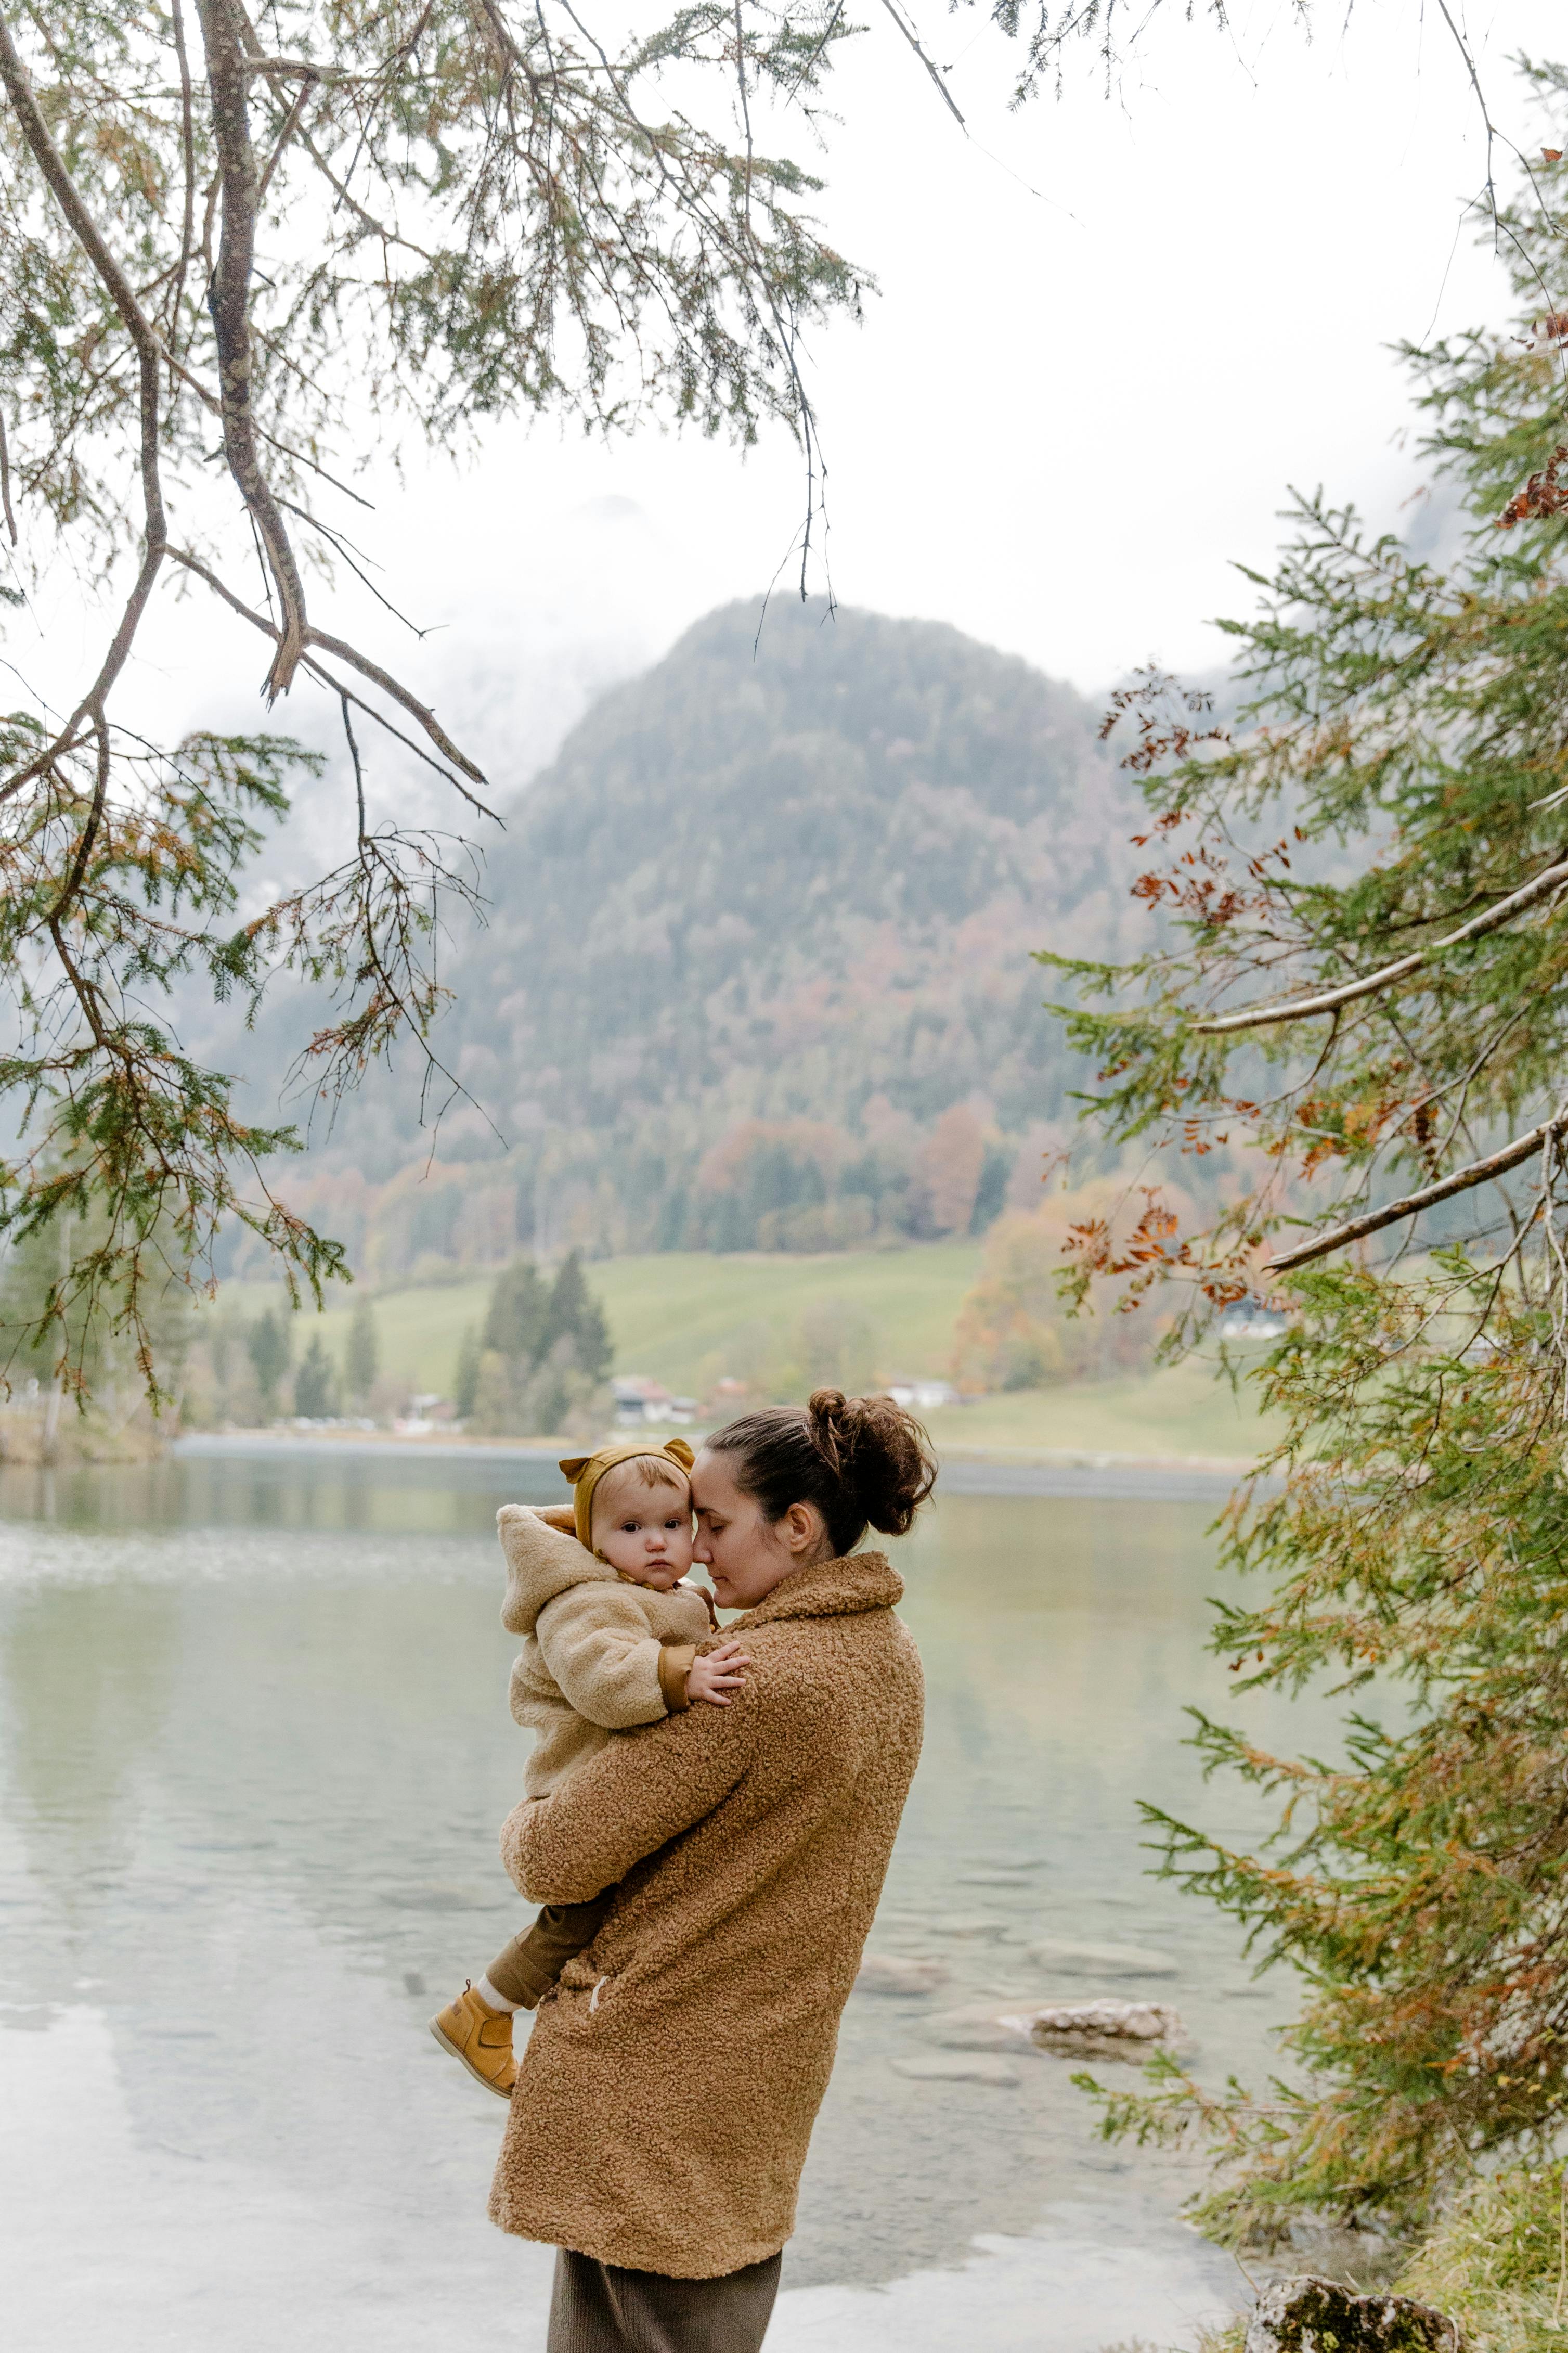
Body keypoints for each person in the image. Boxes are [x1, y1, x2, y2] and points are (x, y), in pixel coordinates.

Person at [489, 1387, 937, 2353]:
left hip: (653, 2080)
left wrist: (526, 1815)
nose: (692, 1548)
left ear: (800, 1527)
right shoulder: (888, 1655)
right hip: (761, 2079)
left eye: (716, 1523)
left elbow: (558, 1856)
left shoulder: (751, 1682)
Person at [430, 1438, 751, 2095]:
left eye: (672, 1524)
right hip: (580, 1779)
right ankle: (483, 2010)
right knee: (576, 1916)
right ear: (594, 1538)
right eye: (631, 1528)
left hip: (630, 1779)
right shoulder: (584, 1599)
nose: (657, 1542)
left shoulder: (673, 1592)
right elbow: (601, 1675)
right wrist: (680, 1673)